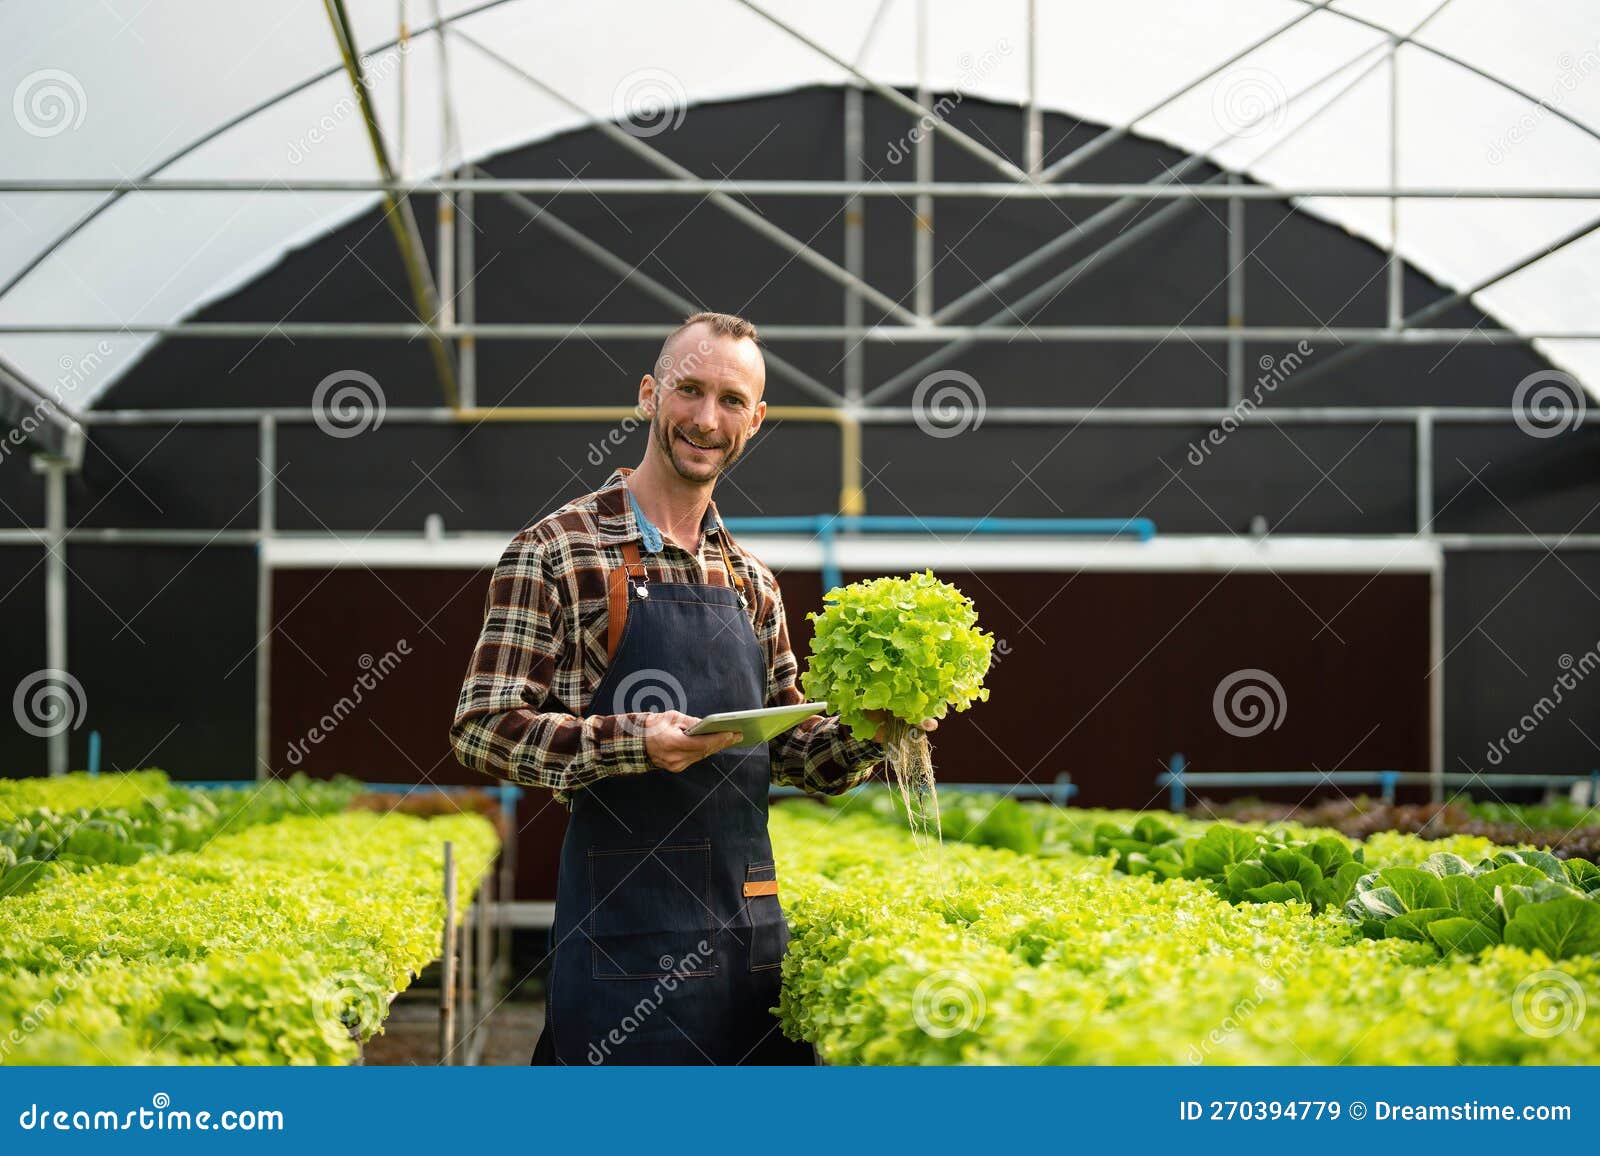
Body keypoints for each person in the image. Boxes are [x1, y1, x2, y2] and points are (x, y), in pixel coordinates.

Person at [450, 310, 936, 1065]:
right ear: (650, 395)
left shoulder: (752, 581)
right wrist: (632, 742)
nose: (707, 419)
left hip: (748, 936)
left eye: (732, 400)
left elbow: (797, 755)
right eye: (690, 390)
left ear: (755, 419)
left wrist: (871, 729)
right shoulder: (557, 552)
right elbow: (482, 727)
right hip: (622, 936)